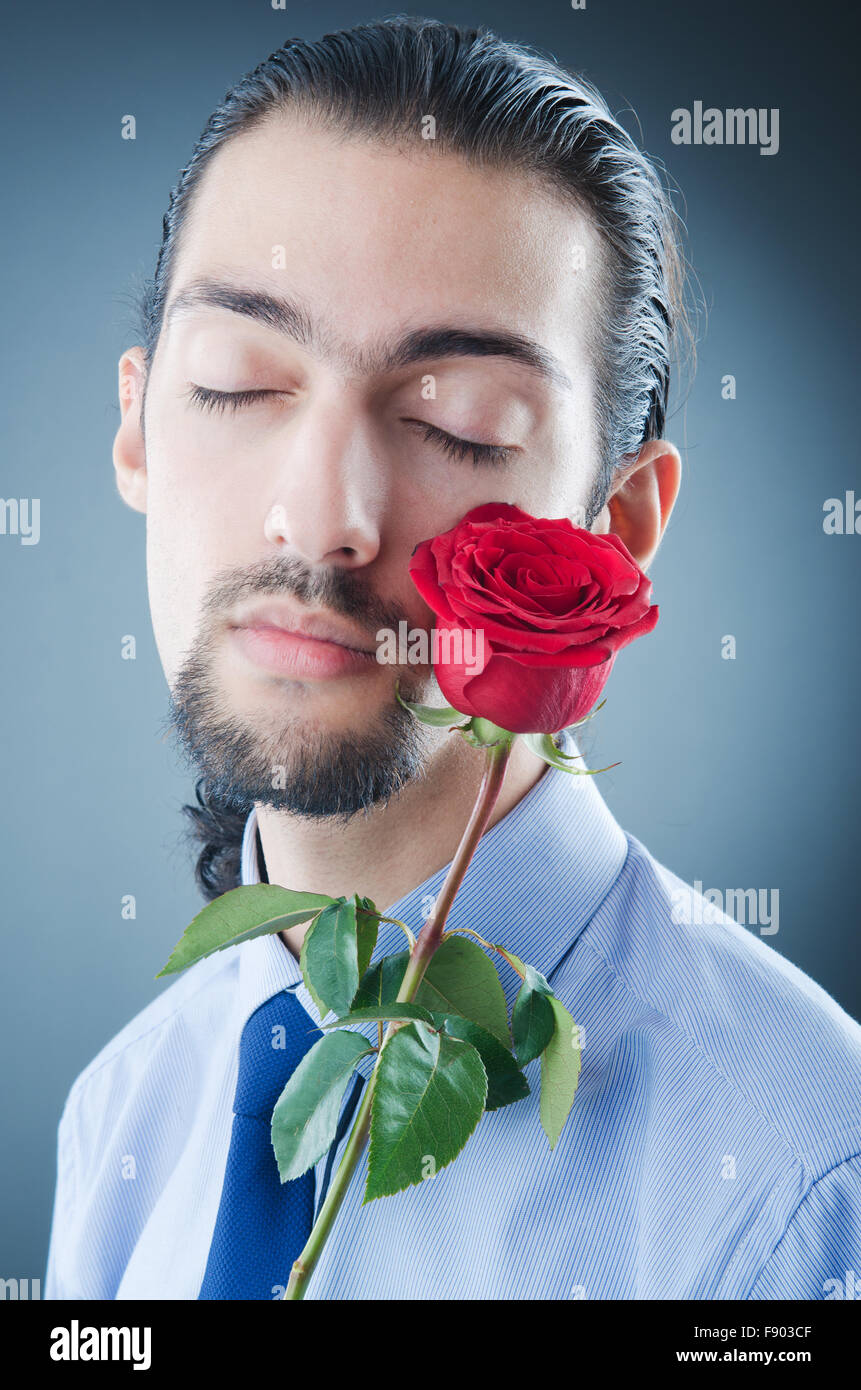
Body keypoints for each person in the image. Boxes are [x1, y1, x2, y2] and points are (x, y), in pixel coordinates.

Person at [45, 17, 861, 1300]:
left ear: (622, 527)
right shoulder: (120, 1119)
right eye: (241, 381)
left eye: (456, 424)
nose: (320, 519)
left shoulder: (803, 1184)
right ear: (139, 428)